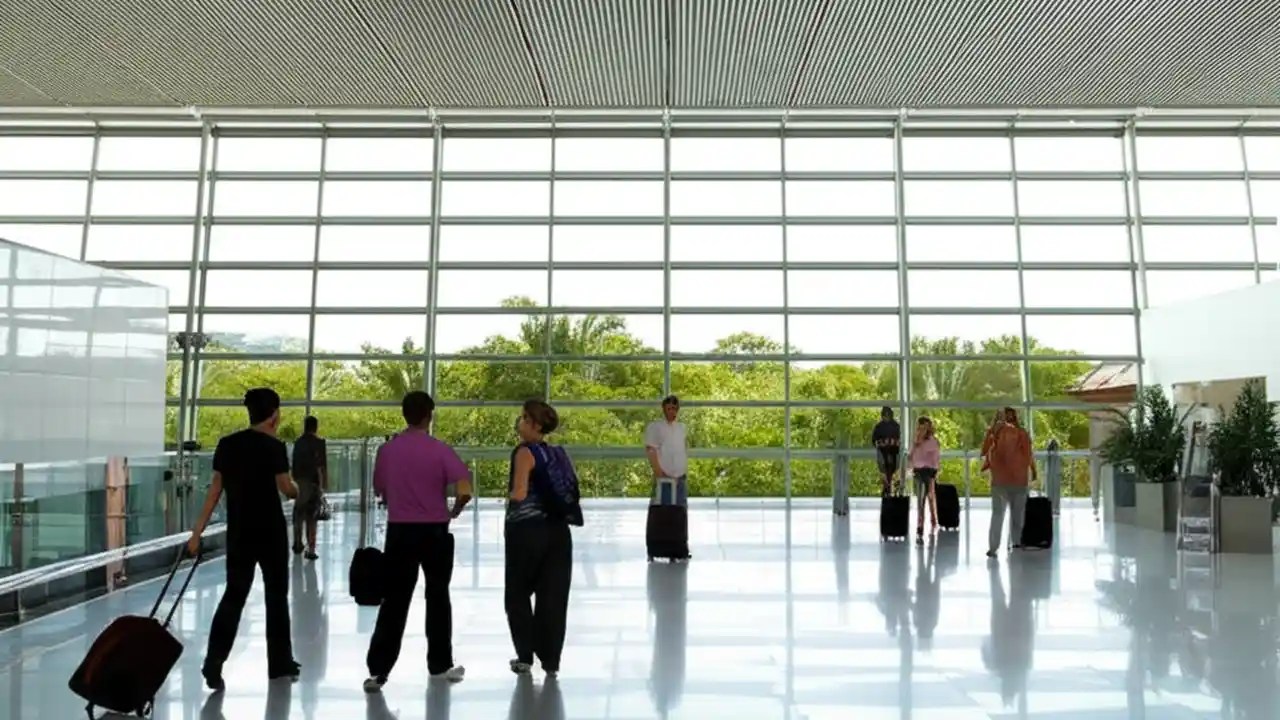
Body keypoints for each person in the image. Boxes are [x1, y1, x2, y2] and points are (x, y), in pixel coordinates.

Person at [185, 387, 300, 691]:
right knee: (276, 597)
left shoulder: (227, 445)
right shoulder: (274, 447)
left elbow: (214, 492)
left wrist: (196, 534)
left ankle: (213, 663)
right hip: (271, 533)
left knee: (233, 598)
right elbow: (286, 488)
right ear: (274, 415)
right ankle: (279, 663)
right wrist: (302, 490)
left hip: (239, 533)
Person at [364, 391, 470, 692]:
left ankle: (378, 671)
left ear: (404, 415)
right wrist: (455, 510)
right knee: (437, 597)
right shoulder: (440, 450)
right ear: (429, 416)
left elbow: (379, 489)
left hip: (400, 532)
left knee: (395, 600)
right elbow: (464, 489)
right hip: (435, 532)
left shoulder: (388, 451)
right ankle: (440, 663)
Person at [506, 399, 573, 677]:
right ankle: (551, 661)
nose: (519, 422)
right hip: (558, 532)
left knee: (518, 594)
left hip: (527, 531)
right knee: (553, 597)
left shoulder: (524, 451)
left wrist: (507, 497)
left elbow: (520, 493)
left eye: (523, 418)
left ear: (534, 425)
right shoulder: (558, 453)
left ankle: (525, 656)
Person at [982, 407, 1037, 558]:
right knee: (1017, 514)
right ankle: (1016, 543)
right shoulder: (1022, 434)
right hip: (1019, 479)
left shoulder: (994, 434)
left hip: (1000, 480)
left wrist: (992, 430)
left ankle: (993, 548)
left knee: (998, 514)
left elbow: (984, 451)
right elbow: (1028, 455)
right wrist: (1033, 471)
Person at [291, 415, 327, 560]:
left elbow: (293, 466)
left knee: (299, 515)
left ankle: (298, 543)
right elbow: (322, 466)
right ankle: (311, 550)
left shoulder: (298, 443)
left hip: (300, 484)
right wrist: (323, 486)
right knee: (312, 518)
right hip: (313, 484)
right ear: (315, 427)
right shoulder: (319, 443)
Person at [645, 395, 689, 508]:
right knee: (664, 512)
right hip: (664, 478)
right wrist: (659, 472)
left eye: (674, 408)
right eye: (669, 408)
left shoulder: (681, 428)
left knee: (680, 512)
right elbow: (650, 450)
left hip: (680, 479)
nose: (671, 412)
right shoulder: (656, 427)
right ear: (664, 409)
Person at [909, 416, 941, 544]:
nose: (922, 430)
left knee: (931, 497)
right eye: (920, 427)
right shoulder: (916, 441)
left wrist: (934, 471)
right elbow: (910, 457)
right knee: (920, 500)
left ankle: (934, 520)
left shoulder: (933, 441)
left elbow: (935, 458)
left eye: (925, 427)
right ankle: (920, 527)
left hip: (929, 472)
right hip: (918, 471)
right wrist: (916, 444)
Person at [872, 407, 902, 496]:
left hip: (891, 452)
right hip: (885, 452)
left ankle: (888, 488)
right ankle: (888, 488)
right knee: (887, 471)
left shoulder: (881, 426)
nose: (886, 417)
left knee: (888, 471)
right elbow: (874, 440)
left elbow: (874, 440)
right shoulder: (894, 426)